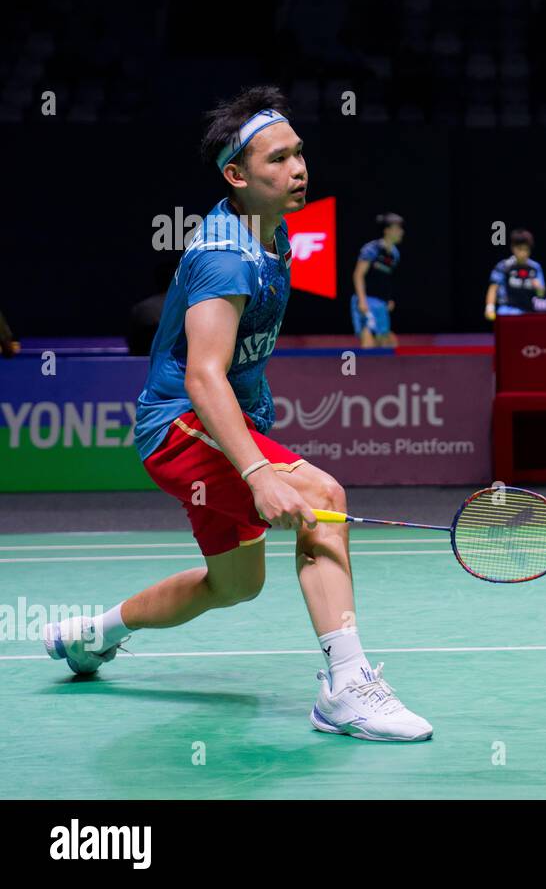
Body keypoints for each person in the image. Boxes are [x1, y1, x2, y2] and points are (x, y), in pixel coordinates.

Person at [41, 87, 433, 742]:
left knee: (233, 584)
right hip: (180, 427)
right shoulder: (228, 254)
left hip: (217, 429)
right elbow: (202, 375)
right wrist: (256, 469)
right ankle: (347, 687)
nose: (298, 168)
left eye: (300, 153)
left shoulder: (272, 233)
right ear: (237, 175)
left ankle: (91, 636)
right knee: (323, 494)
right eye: (278, 159)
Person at [351, 212, 403, 348]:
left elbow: (387, 278)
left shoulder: (395, 254)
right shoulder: (372, 249)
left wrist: (389, 298)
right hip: (366, 301)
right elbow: (358, 274)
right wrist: (362, 300)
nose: (401, 232)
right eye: (397, 229)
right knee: (368, 342)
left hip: (381, 304)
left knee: (386, 343)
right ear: (387, 231)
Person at [485, 228, 546, 320]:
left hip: (528, 313)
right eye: (520, 249)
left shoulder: (535, 267)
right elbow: (493, 288)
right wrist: (489, 308)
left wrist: (539, 288)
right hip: (506, 312)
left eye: (526, 250)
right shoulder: (503, 266)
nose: (523, 253)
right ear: (513, 248)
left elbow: (541, 294)